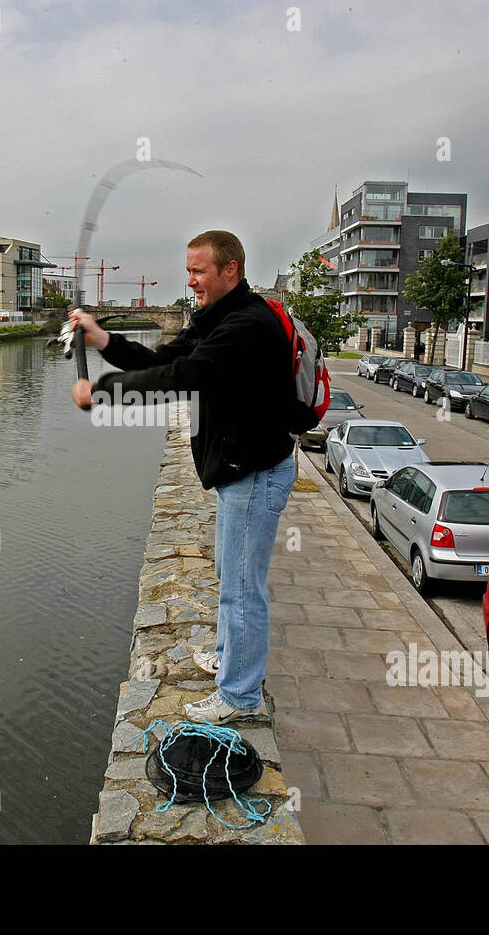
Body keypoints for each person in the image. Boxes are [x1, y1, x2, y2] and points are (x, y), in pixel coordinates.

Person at [69, 230, 297, 725]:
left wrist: (103, 392)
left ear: (230, 270)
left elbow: (182, 378)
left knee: (242, 588)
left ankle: (240, 695)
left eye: (199, 271)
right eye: (188, 270)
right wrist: (103, 339)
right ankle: (227, 655)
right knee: (228, 576)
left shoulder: (246, 327)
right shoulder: (217, 320)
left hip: (255, 474)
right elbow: (163, 360)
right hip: (240, 472)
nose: (189, 280)